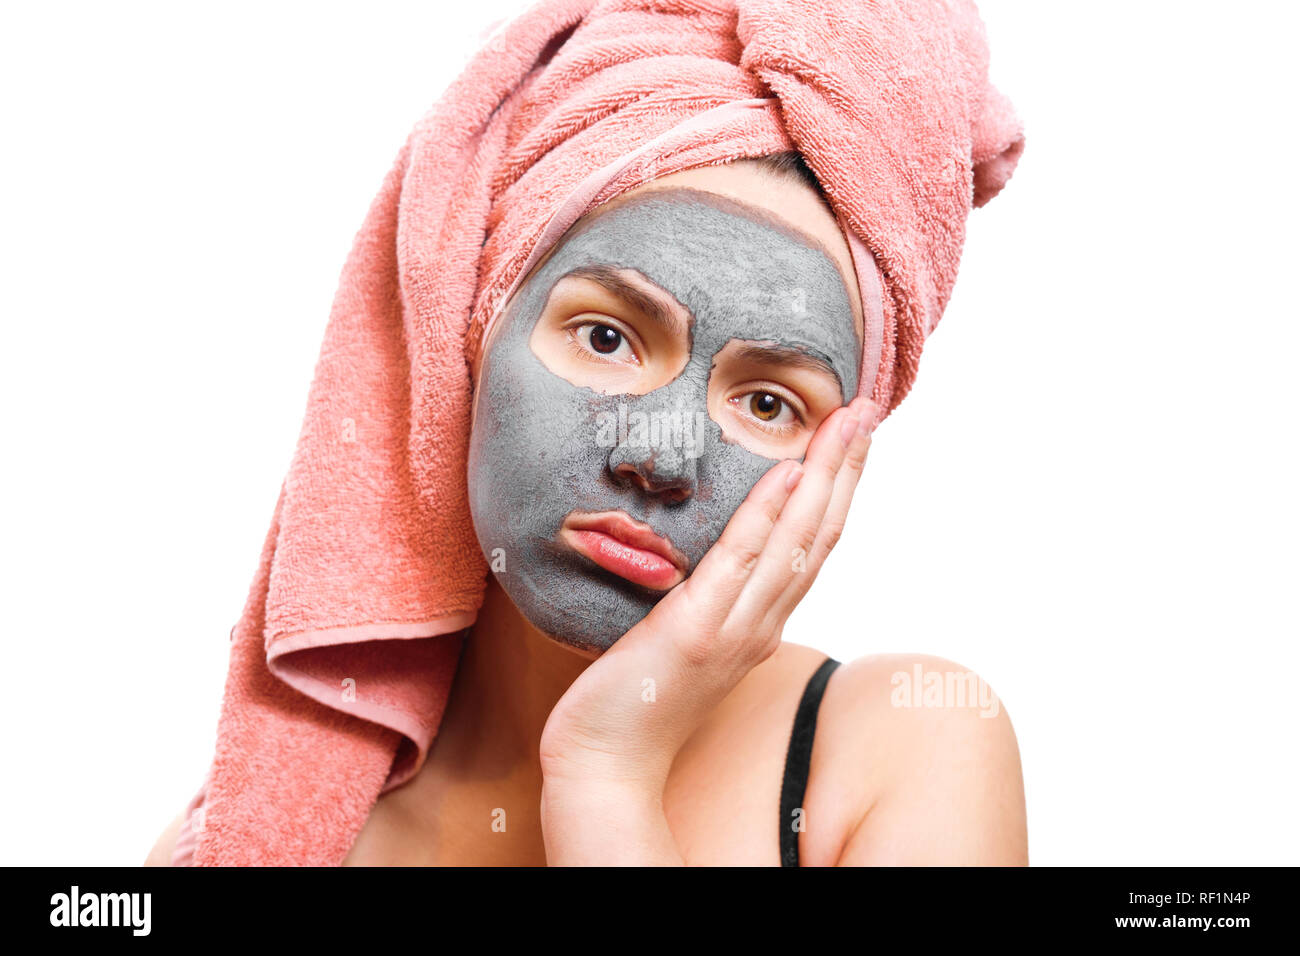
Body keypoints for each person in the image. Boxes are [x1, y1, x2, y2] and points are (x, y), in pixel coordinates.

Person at [146, 0, 1028, 866]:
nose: (658, 458)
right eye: (607, 338)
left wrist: (607, 778)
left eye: (766, 403)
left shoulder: (904, 752)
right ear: (473, 328)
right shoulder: (255, 836)